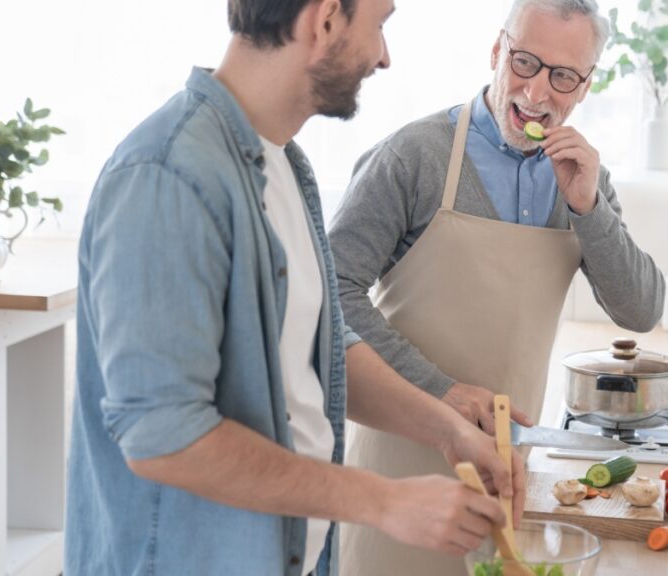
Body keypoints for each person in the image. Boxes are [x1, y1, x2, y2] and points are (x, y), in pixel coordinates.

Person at [64, 1, 523, 575]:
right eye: (379, 25)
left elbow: (319, 349)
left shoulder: (284, 164)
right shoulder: (167, 175)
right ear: (325, 19)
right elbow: (163, 435)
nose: (383, 57)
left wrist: (447, 429)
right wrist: (382, 501)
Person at [328, 0, 665, 573]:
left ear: (585, 86)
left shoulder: (582, 180)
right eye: (525, 62)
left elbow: (641, 309)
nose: (537, 92)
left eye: (563, 76)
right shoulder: (413, 156)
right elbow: (330, 292)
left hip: (508, 479)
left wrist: (589, 209)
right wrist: (440, 391)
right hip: (399, 470)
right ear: (496, 51)